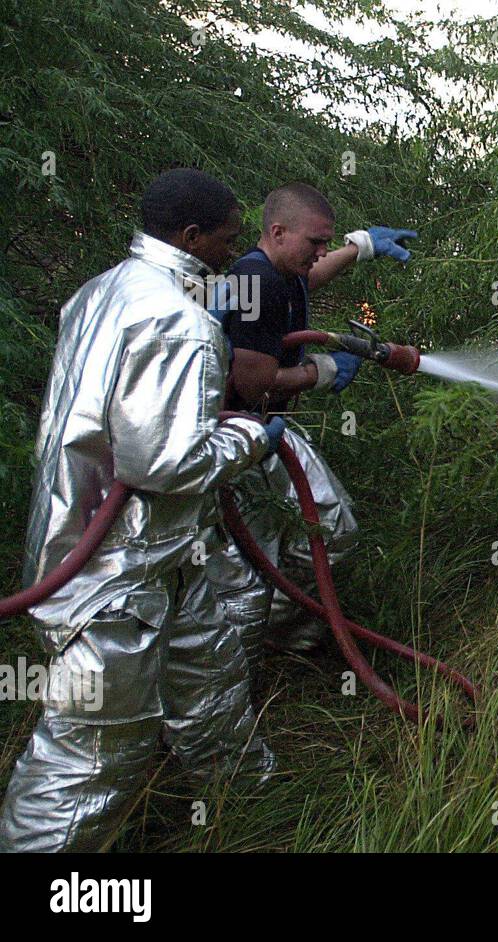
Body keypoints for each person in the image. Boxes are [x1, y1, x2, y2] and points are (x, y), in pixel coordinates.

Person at [0, 168, 283, 852]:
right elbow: (161, 464)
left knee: (213, 689)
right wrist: (247, 437)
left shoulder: (101, 291)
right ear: (191, 236)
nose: (233, 253)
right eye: (226, 239)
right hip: (113, 575)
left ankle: (255, 816)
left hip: (158, 559)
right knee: (90, 759)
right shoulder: (181, 321)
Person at [207, 182, 415, 666]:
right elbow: (256, 382)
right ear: (277, 232)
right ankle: (251, 651)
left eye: (328, 241)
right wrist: (320, 372)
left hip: (266, 431)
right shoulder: (254, 282)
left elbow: (307, 280)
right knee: (260, 560)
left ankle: (284, 630)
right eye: (315, 242)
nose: (321, 251)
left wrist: (358, 248)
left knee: (331, 528)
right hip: (236, 440)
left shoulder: (275, 272)